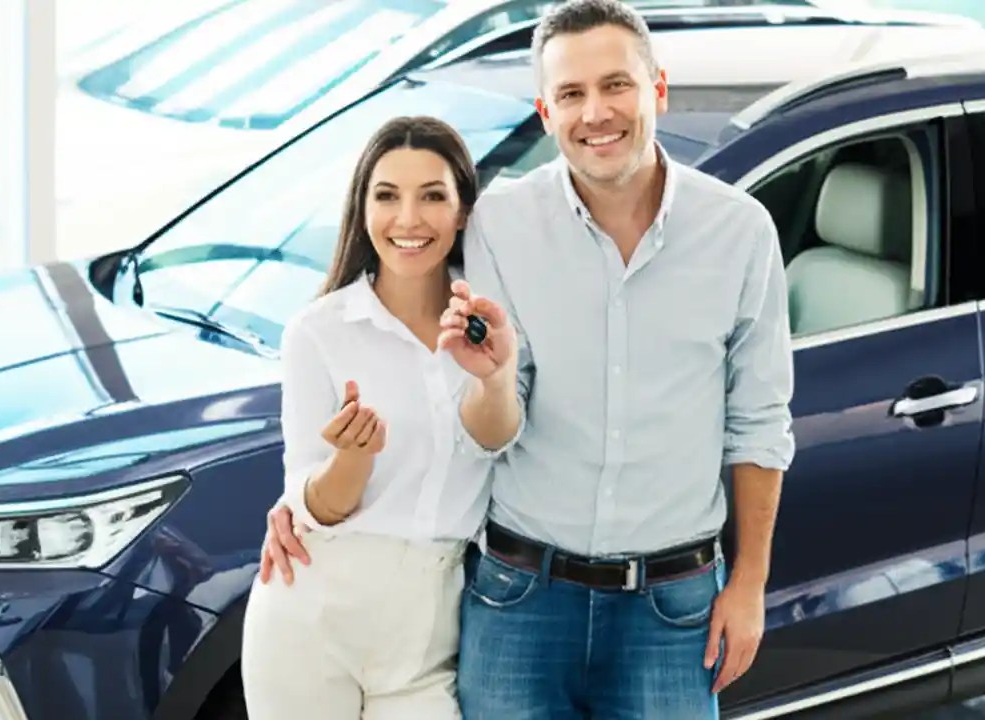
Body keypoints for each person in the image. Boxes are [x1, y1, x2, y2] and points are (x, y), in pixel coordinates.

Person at [261, 0, 795, 717]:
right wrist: (309, 494)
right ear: (546, 111)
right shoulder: (497, 227)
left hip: (672, 609)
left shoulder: (740, 233)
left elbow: (759, 422)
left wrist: (751, 582)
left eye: (616, 86)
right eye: (571, 94)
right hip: (519, 598)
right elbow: (473, 408)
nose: (595, 113)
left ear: (657, 89)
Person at [239, 115, 520, 720]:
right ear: (362, 209)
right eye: (387, 196)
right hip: (312, 616)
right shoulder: (317, 332)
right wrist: (353, 457)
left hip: (429, 630)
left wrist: (494, 376)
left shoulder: (492, 320)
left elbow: (495, 438)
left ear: (463, 210)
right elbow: (313, 506)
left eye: (433, 196)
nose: (409, 220)